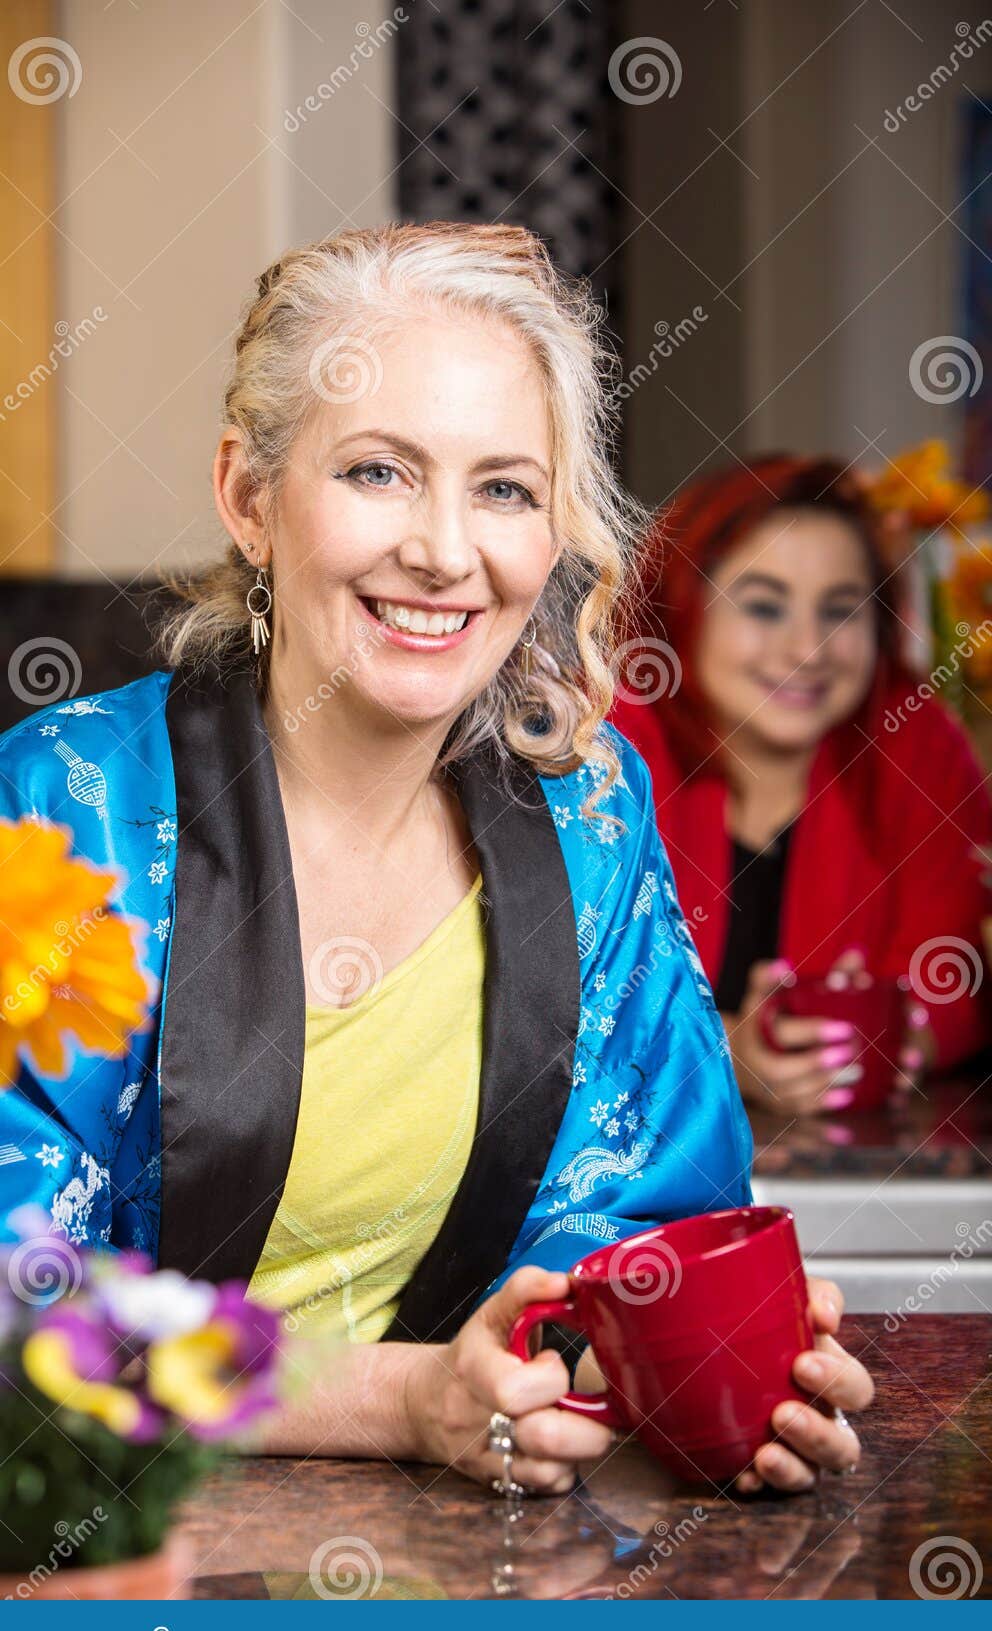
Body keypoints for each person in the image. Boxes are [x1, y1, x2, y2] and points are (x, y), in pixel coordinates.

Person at [0, 226, 871, 1495]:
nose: (446, 552)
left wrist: (714, 1366)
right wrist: (400, 1399)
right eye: (378, 472)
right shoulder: (61, 811)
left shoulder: (591, 815)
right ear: (249, 498)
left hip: (465, 1576)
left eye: (504, 489)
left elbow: (648, 1218)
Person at [609, 455, 992, 1119]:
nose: (808, 649)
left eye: (841, 611)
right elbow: (569, 1003)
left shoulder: (914, 739)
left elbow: (959, 967)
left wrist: (905, 1042)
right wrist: (724, 1052)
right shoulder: (609, 742)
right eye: (764, 605)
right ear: (683, 607)